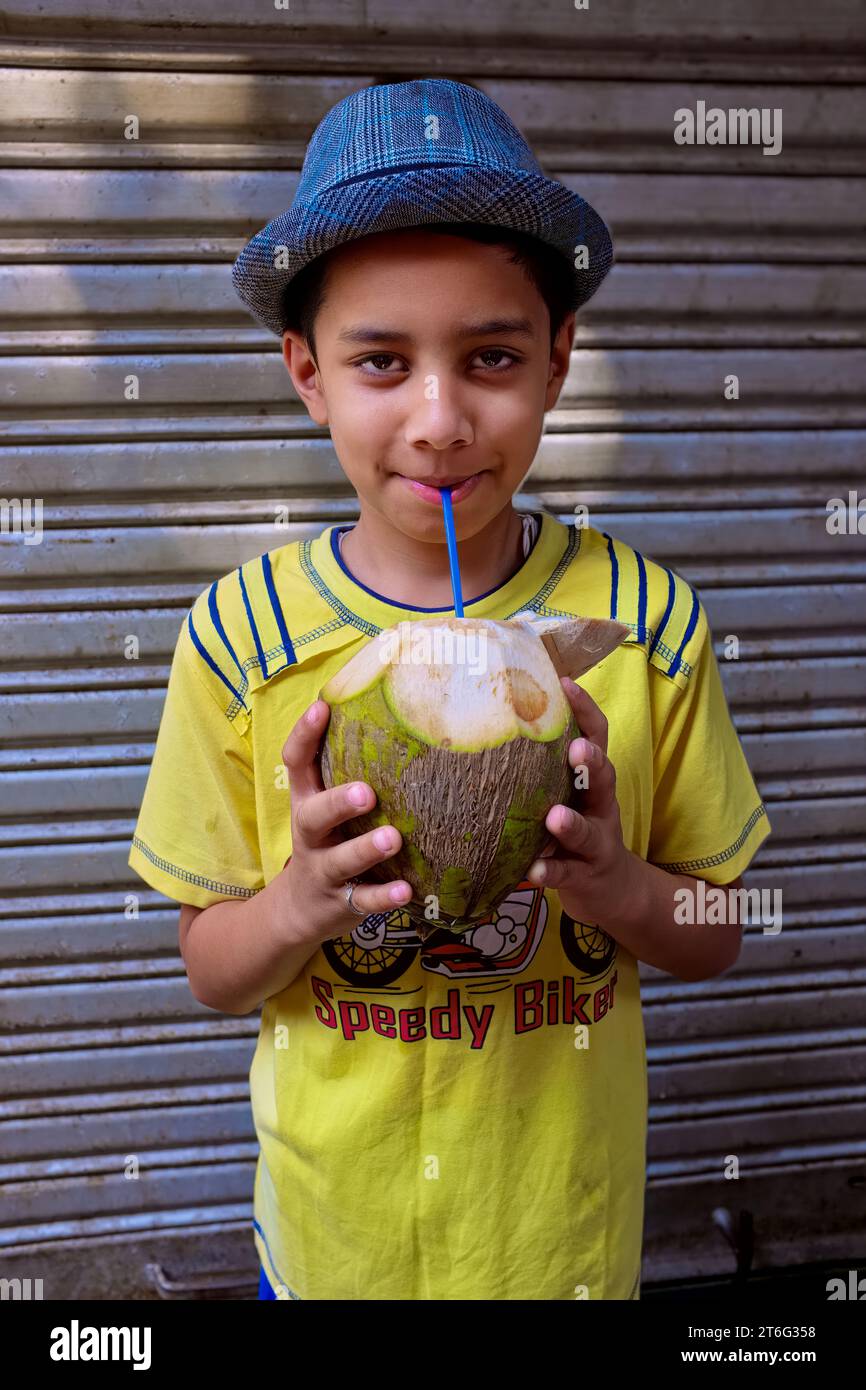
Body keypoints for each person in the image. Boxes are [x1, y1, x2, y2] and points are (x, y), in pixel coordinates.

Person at [128, 78, 771, 1301]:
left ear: (556, 360)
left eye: (489, 356)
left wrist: (621, 884)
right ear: (307, 375)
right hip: (334, 1248)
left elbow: (718, 931)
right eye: (380, 361)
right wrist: (304, 901)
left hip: (558, 1250)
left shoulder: (640, 629)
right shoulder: (240, 640)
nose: (438, 420)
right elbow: (213, 968)